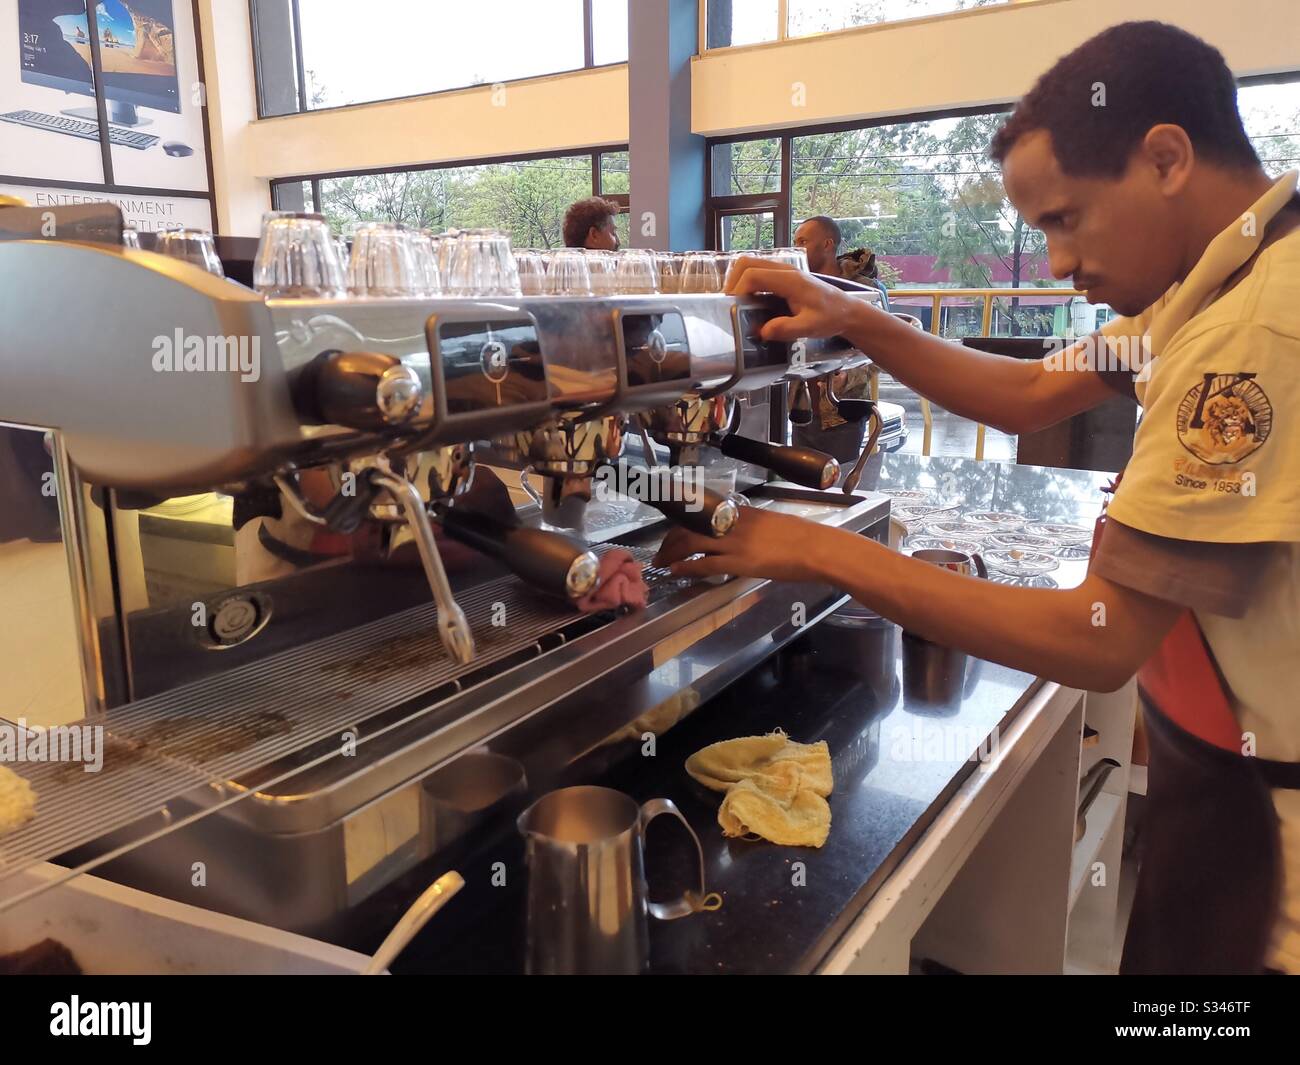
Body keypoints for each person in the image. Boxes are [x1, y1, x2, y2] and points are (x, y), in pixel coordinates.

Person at [656, 20, 1300, 975]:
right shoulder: (1204, 289)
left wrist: (816, 548)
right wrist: (856, 316)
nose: (1053, 265)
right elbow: (1034, 390)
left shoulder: (1254, 327)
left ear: (1166, 157)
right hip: (1222, 778)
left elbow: (1099, 635)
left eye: (1064, 219)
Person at [791, 215, 885, 459]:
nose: (796, 249)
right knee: (800, 489)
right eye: (795, 242)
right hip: (802, 410)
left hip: (842, 412)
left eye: (803, 242)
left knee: (836, 488)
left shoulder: (863, 291)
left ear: (827, 244)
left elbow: (884, 351)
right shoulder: (798, 288)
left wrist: (848, 377)